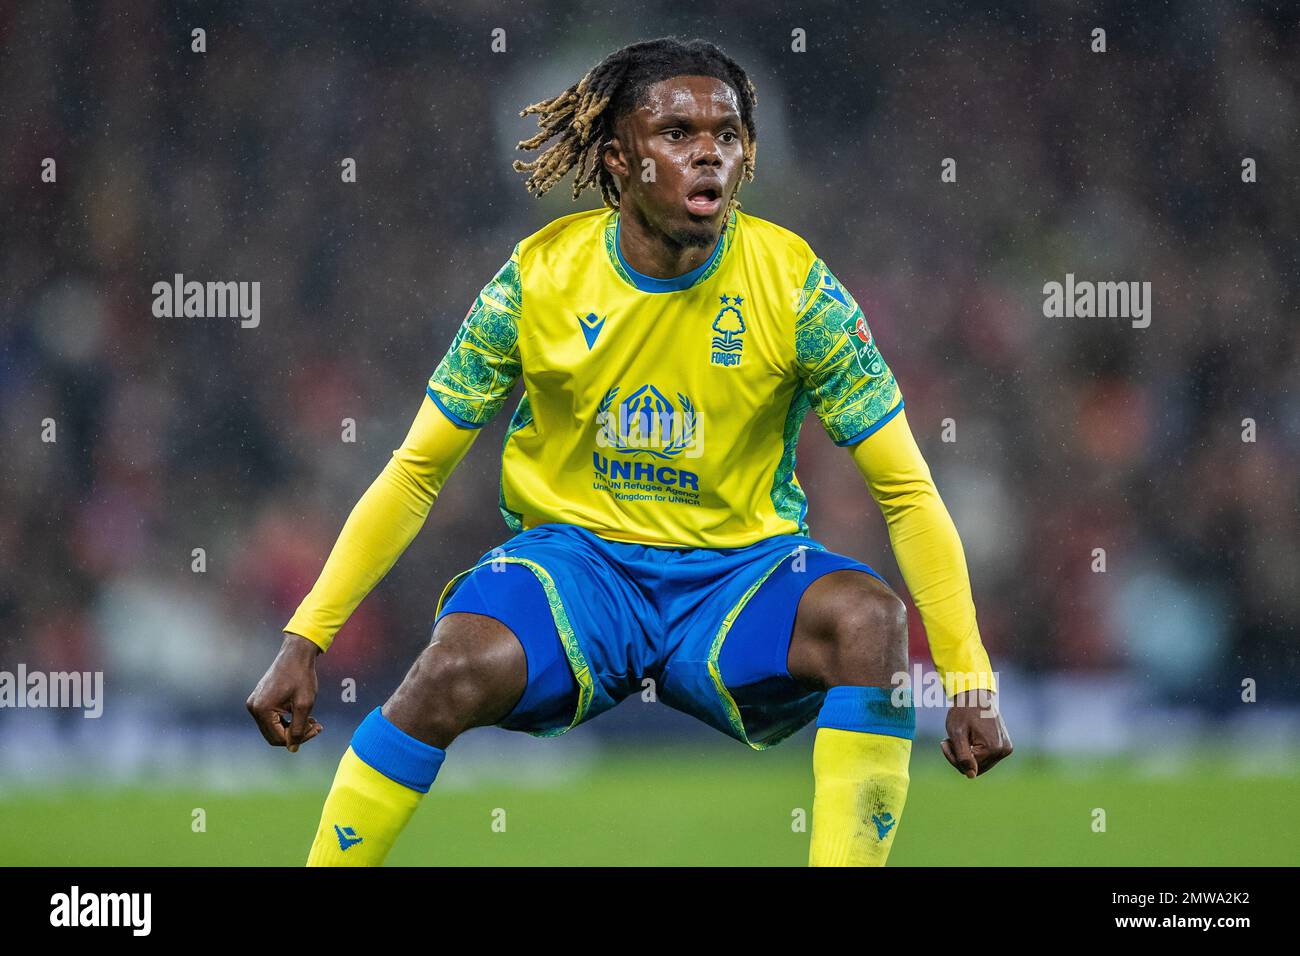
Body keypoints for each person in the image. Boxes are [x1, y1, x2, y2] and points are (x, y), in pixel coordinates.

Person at [246, 36, 1012, 867]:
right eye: (677, 133)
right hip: (579, 569)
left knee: (869, 620)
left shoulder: (797, 289)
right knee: (451, 668)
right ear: (619, 160)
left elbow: (904, 490)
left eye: (727, 133)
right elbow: (417, 469)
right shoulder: (536, 282)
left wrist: (970, 677)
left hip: (739, 574)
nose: (709, 151)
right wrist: (306, 639)